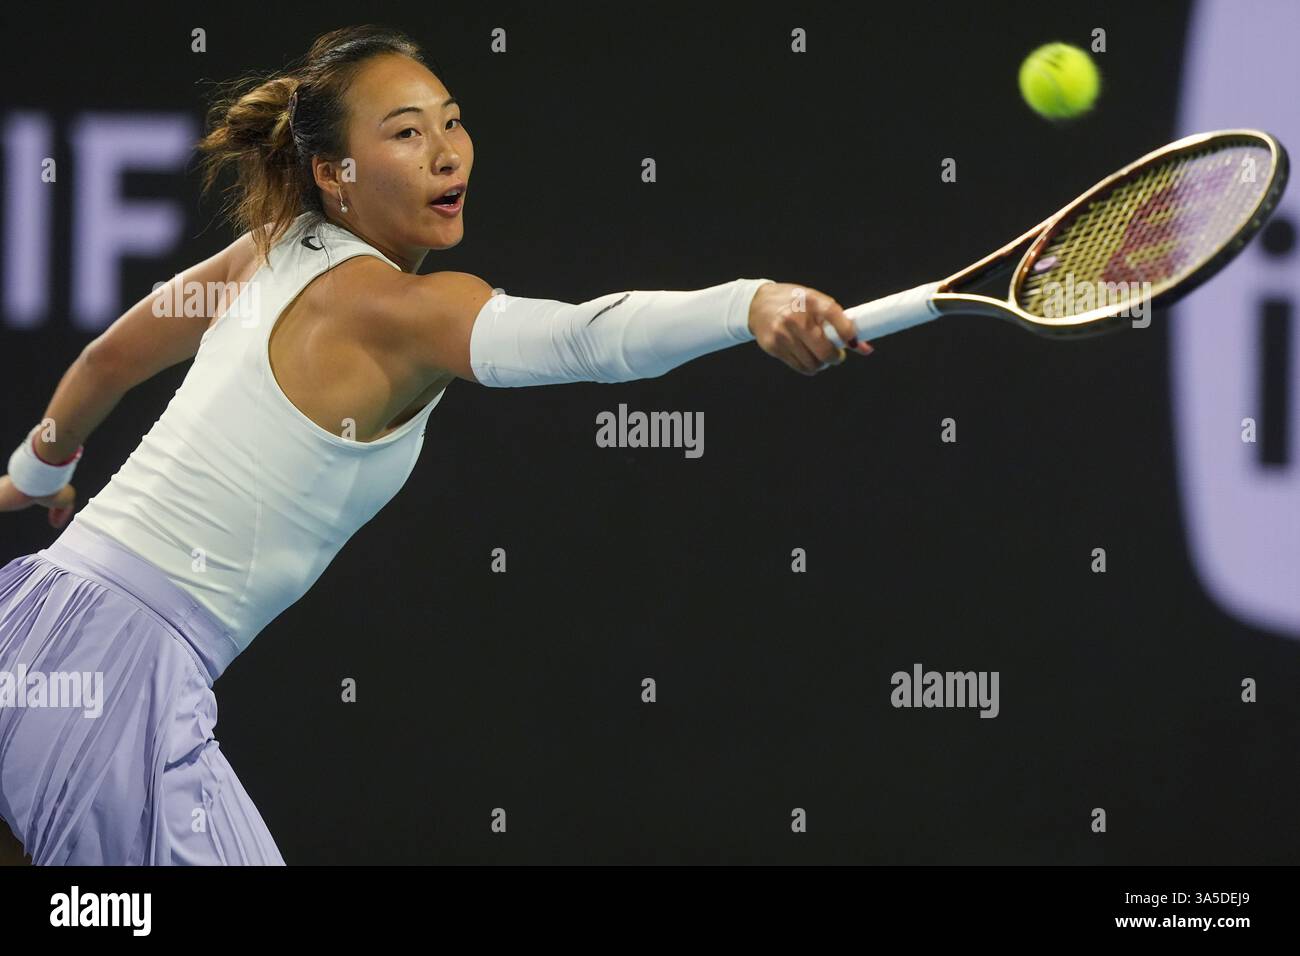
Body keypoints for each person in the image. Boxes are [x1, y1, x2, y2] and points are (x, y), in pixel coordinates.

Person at [0, 24, 872, 865]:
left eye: (451, 121)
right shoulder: (411, 312)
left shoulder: (272, 251)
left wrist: (41, 470)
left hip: (27, 620)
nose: (447, 152)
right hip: (119, 684)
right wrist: (751, 301)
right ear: (331, 174)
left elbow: (106, 359)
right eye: (407, 134)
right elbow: (585, 340)